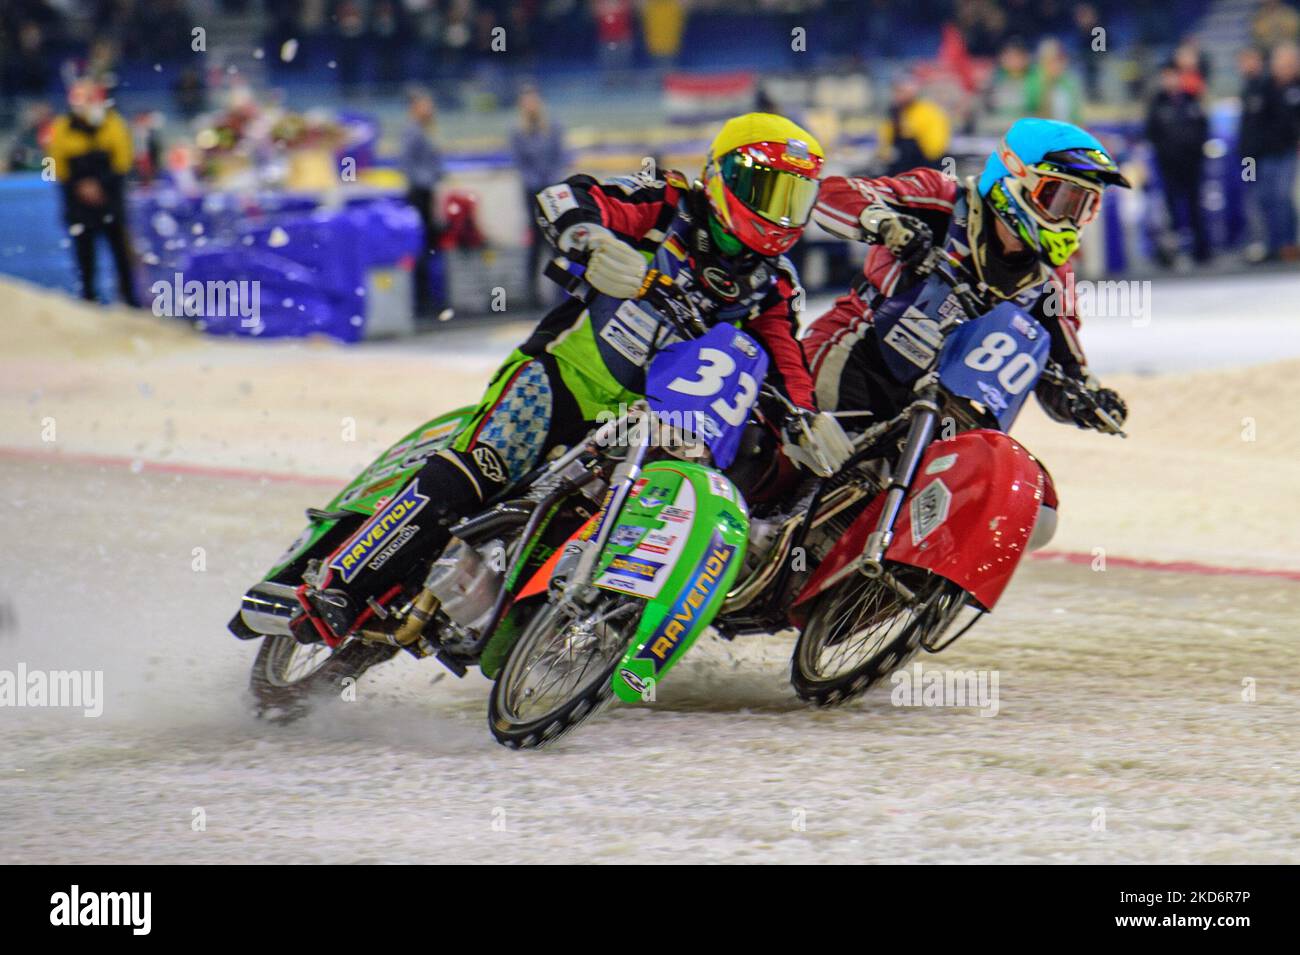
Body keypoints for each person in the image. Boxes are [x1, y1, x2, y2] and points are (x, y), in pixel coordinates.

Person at [296, 112, 854, 643]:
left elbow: (784, 359)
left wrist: (805, 419)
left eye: (794, 198)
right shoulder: (668, 205)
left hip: (644, 423)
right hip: (562, 376)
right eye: (768, 191)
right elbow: (567, 196)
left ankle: (562, 624)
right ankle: (342, 581)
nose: (780, 213)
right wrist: (593, 239)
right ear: (722, 176)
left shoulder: (770, 285)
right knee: (484, 465)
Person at [804, 118, 1129, 437]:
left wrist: (1088, 400)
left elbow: (1060, 372)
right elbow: (834, 193)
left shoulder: (1052, 279)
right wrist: (887, 225)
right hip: (856, 354)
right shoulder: (942, 199)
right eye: (1060, 200)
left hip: (935, 407)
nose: (1069, 220)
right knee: (810, 461)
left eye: (1084, 207)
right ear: (1015, 177)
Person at [47, 78, 139, 306]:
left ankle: (129, 301)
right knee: (85, 257)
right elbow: (54, 165)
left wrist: (100, 186)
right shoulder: (62, 127)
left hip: (110, 202)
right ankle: (89, 300)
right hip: (79, 205)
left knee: (121, 255)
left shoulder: (114, 123)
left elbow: (124, 162)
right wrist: (81, 186)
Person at [1145, 62, 1211, 264]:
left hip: (1191, 164)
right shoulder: (1157, 103)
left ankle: (1201, 251)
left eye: (1173, 75)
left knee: (1195, 206)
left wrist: (1196, 151)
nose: (1170, 80)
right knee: (1171, 209)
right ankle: (1173, 254)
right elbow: (1151, 134)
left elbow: (1202, 128)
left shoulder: (1191, 100)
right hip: (1168, 166)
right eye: (1166, 76)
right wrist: (1165, 153)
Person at [509, 85, 568, 307]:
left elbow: (560, 157)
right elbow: (520, 163)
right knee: (535, 241)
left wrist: (550, 182)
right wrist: (535, 183)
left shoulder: (553, 127)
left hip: (552, 193)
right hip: (532, 193)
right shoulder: (517, 131)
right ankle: (531, 295)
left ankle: (560, 293)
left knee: (557, 243)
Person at [398, 87, 444, 317]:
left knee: (430, 246)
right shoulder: (412, 132)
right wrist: (427, 180)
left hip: (427, 192)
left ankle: (430, 297)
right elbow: (408, 164)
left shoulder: (426, 130)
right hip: (418, 194)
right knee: (421, 246)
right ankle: (421, 301)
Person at [1253, 42, 1300, 261]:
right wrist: (1247, 164)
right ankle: (1270, 245)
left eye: (1291, 63)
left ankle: (1288, 244)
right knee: (1264, 198)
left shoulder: (1296, 88)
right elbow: (1248, 128)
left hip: (1288, 152)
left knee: (1282, 196)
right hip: (1259, 156)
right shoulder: (1260, 88)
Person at [879, 76, 951, 175]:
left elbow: (934, 149)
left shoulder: (929, 112)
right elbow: (885, 144)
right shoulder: (895, 113)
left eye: (902, 91)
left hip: (925, 169)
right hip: (900, 169)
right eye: (896, 91)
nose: (898, 96)